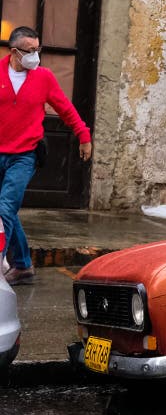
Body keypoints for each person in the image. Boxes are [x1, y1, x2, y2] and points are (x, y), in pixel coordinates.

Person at [0, 26, 92, 285]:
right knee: (8, 211)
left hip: (25, 155)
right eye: (30, 50)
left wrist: (84, 136)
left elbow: (65, 109)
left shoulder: (44, 77)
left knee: (4, 208)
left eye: (37, 49)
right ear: (14, 52)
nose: (36, 55)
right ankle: (23, 266)